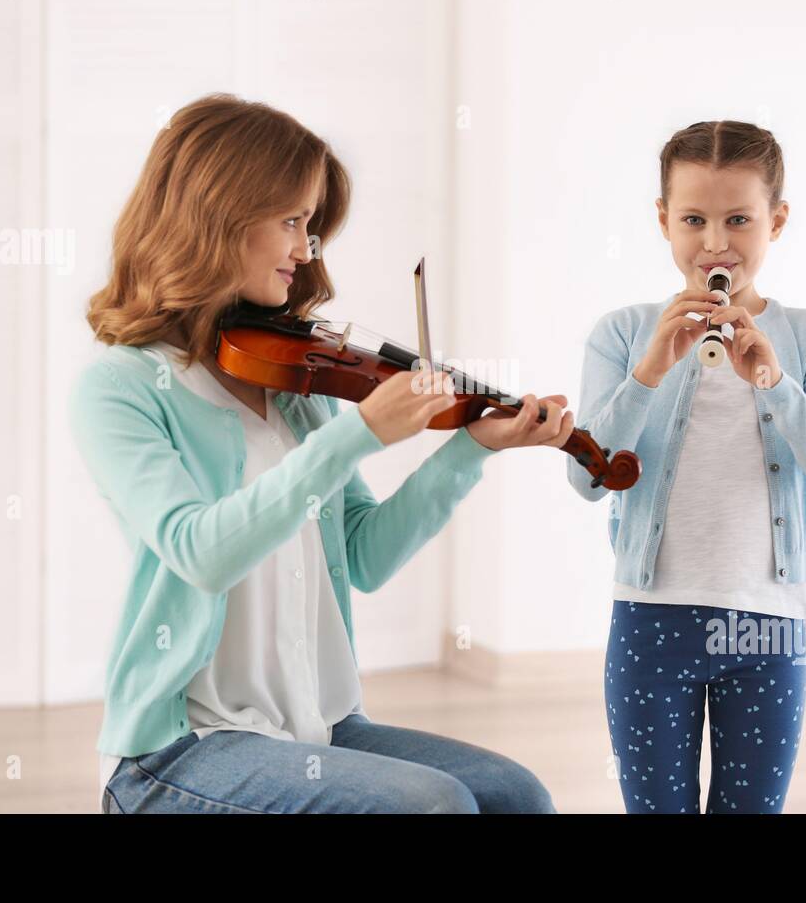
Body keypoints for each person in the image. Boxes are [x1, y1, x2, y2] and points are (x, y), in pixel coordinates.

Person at [71, 93, 571, 813]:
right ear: (218, 214)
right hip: (181, 749)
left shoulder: (294, 386)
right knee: (433, 806)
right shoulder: (122, 386)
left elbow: (363, 557)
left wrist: (468, 449)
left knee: (515, 795)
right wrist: (359, 433)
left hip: (317, 728)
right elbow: (200, 551)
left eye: (311, 226)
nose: (306, 251)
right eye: (291, 221)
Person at [568, 120, 806, 812]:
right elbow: (584, 478)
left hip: (768, 625)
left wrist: (774, 382)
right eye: (693, 219)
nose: (714, 243)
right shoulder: (622, 333)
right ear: (664, 220)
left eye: (739, 219)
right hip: (652, 622)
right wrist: (649, 370)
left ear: (776, 220)